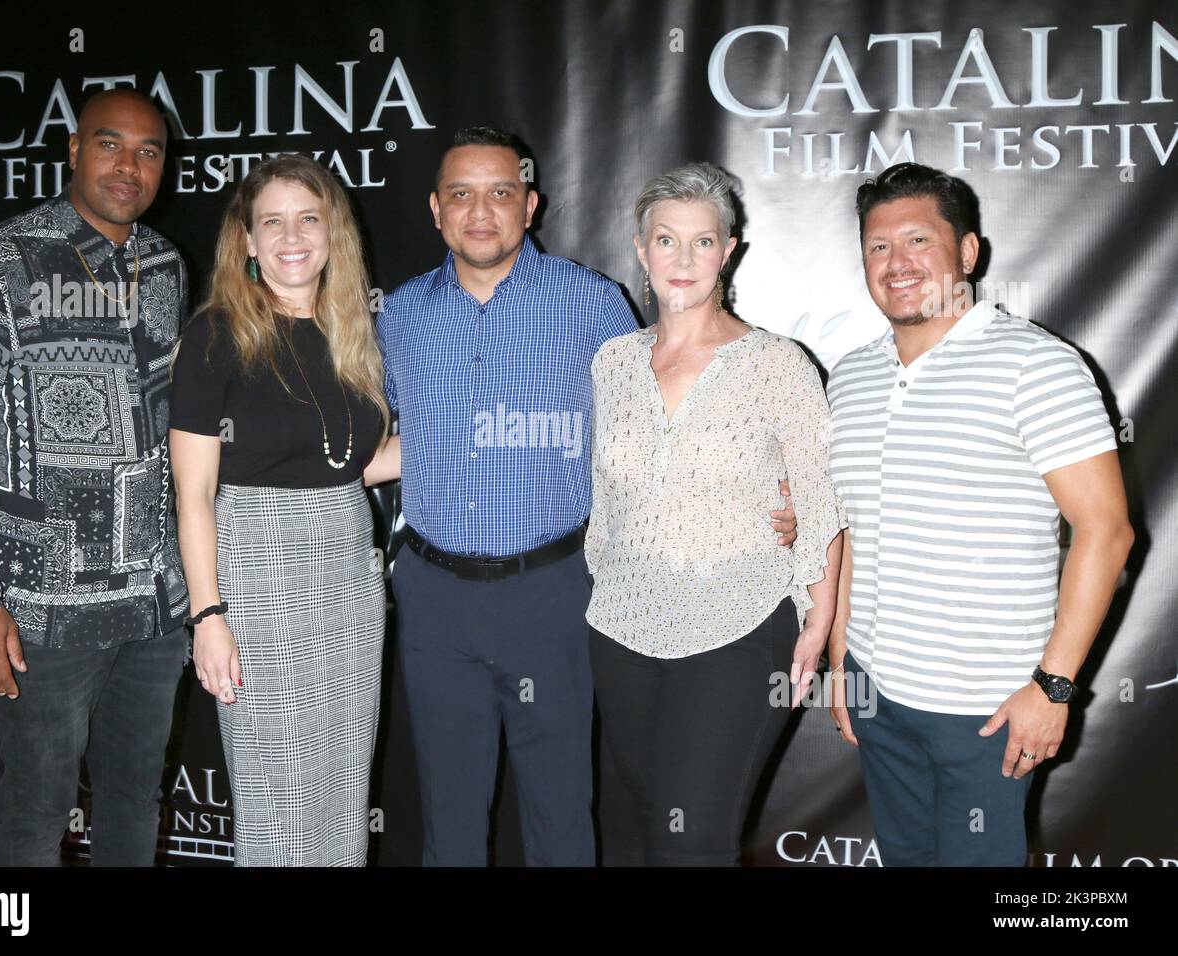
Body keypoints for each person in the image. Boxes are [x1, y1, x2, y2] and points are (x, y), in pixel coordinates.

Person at [378, 128, 797, 866]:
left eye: (502, 192)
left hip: (555, 593)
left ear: (531, 204)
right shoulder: (400, 315)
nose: (482, 211)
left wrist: (774, 493)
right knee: (446, 814)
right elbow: (380, 438)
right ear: (436, 210)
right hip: (433, 597)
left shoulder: (593, 304)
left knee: (560, 809)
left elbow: (654, 437)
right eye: (462, 195)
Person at [0, 89, 190, 865]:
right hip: (42, 609)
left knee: (137, 794)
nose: (129, 166)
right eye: (110, 144)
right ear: (72, 149)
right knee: (37, 806)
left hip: (152, 604)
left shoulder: (165, 264)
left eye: (148, 151)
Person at [826, 162, 1133, 866]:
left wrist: (1053, 686)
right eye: (878, 247)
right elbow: (849, 531)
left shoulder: (1037, 366)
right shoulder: (852, 376)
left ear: (967, 252)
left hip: (987, 707)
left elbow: (1107, 532)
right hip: (878, 687)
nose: (896, 264)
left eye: (918, 241)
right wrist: (844, 659)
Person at [585, 163, 845, 866]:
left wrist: (817, 620)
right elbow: (605, 502)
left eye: (702, 242)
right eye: (666, 240)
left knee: (694, 841)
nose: (683, 259)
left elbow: (820, 501)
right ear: (641, 250)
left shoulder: (779, 364)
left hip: (741, 624)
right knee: (651, 826)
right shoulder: (612, 362)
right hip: (623, 627)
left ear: (728, 252)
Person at [170, 154, 398, 866]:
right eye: (272, 222)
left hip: (349, 573)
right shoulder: (215, 335)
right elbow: (194, 494)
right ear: (246, 240)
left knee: (340, 792)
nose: (292, 236)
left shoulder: (351, 334)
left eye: (308, 218)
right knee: (279, 795)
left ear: (334, 232)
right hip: (257, 567)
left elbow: (349, 466)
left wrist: (473, 439)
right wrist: (208, 617)